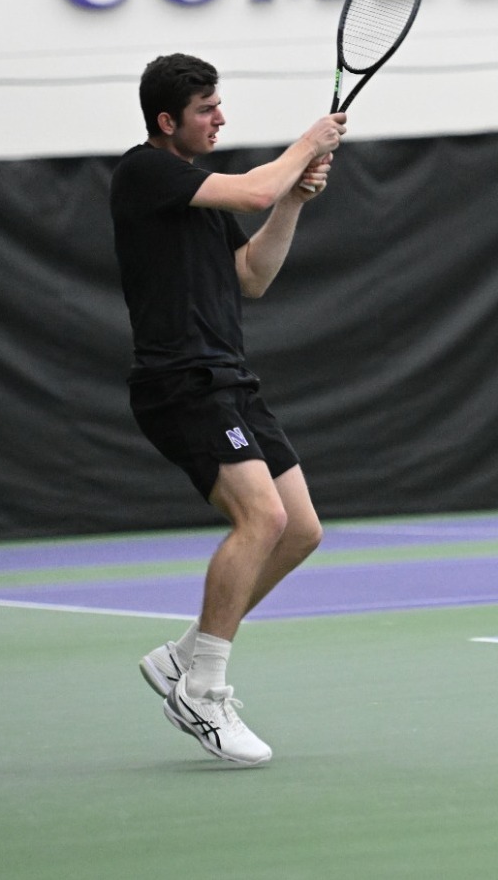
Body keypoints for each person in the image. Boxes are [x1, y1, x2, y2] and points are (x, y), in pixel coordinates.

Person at [111, 53, 346, 765]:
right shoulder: (145, 172)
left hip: (229, 379)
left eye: (220, 104)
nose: (220, 116)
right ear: (165, 122)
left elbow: (251, 277)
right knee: (261, 518)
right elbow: (250, 192)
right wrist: (309, 143)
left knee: (299, 530)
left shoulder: (201, 194)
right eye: (206, 108)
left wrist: (294, 200)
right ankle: (203, 690)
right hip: (181, 381)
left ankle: (183, 656)